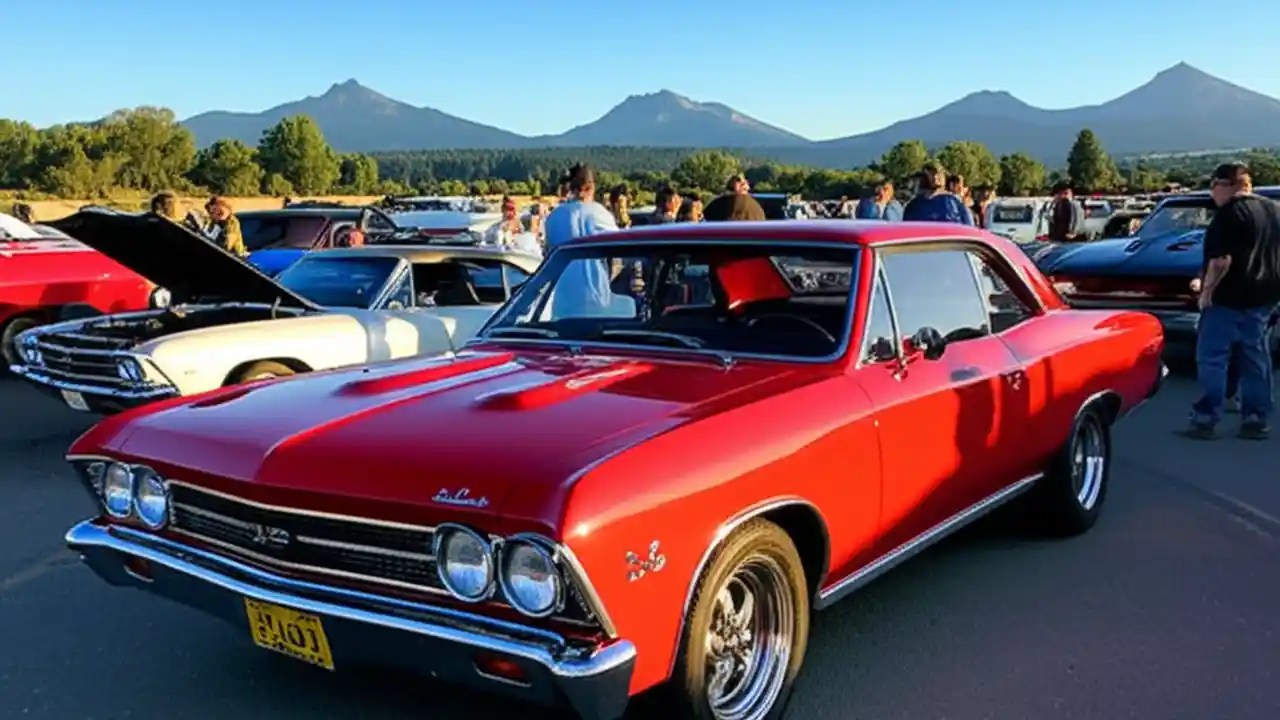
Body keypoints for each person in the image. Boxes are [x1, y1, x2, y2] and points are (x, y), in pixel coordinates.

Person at [1186, 162, 1280, 440]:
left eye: (1213, 186)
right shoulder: (1274, 211)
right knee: (1256, 357)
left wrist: (1206, 292)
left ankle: (1206, 417)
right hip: (1264, 297)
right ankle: (1255, 418)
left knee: (1213, 357)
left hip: (1227, 298)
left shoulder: (1228, 215)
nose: (1212, 193)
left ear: (1226, 185)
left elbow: (1221, 260)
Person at [543, 163, 622, 317]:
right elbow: (618, 257)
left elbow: (548, 259)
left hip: (563, 299)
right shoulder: (601, 214)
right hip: (597, 298)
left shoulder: (554, 217)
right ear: (589, 187)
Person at [903, 164, 973, 224]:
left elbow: (969, 230)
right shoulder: (914, 206)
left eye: (938, 174)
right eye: (931, 174)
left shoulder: (954, 202)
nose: (935, 177)